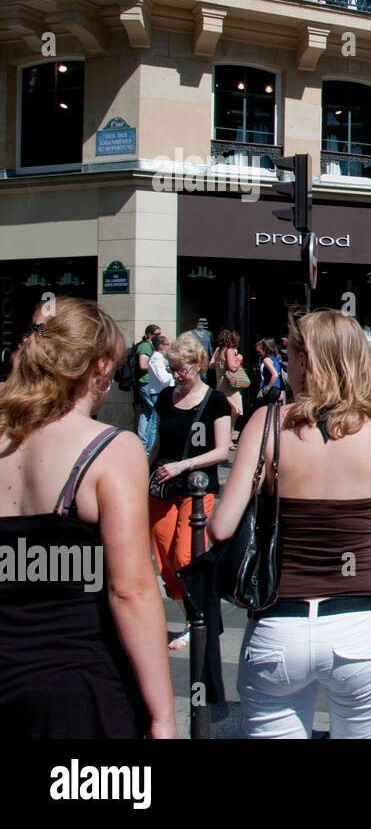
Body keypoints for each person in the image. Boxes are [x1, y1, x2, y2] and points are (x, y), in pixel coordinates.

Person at [210, 310, 371, 739]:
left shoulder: (266, 424)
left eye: (292, 353)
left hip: (279, 623)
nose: (287, 363)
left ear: (309, 361)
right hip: (360, 625)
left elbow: (221, 527)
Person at [0, 298, 176, 738]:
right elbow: (130, 589)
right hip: (79, 684)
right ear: (98, 367)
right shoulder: (110, 449)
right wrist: (163, 715)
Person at [148, 331, 232, 651]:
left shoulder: (216, 401)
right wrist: (145, 473)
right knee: (164, 556)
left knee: (186, 553)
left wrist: (185, 465)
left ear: (197, 364)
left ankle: (199, 617)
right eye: (172, 369)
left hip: (197, 487)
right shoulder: (164, 397)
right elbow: (157, 443)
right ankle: (188, 615)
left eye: (181, 368)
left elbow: (222, 450)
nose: (176, 375)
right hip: (163, 485)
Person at [210, 328, 247, 444]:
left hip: (220, 384)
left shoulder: (218, 350)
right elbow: (233, 367)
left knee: (226, 413)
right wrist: (239, 359)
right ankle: (228, 440)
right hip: (230, 386)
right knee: (234, 413)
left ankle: (224, 439)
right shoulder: (230, 350)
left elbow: (211, 365)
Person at [133, 324, 162, 450]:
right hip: (145, 382)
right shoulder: (145, 346)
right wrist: (156, 365)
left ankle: (143, 440)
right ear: (149, 335)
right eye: (157, 334)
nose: (159, 337)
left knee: (147, 412)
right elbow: (142, 364)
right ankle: (148, 442)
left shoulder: (149, 346)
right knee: (154, 412)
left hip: (146, 382)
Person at [254, 337, 282, 409]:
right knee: (272, 410)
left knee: (266, 411)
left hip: (271, 389)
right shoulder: (275, 359)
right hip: (277, 388)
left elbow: (275, 375)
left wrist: (267, 388)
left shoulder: (266, 360)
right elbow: (279, 375)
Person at [145, 334, 174, 399]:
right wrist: (173, 374)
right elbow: (164, 380)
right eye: (167, 344)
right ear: (160, 346)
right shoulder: (156, 359)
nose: (169, 346)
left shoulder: (162, 357)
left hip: (165, 392)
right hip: (159, 394)